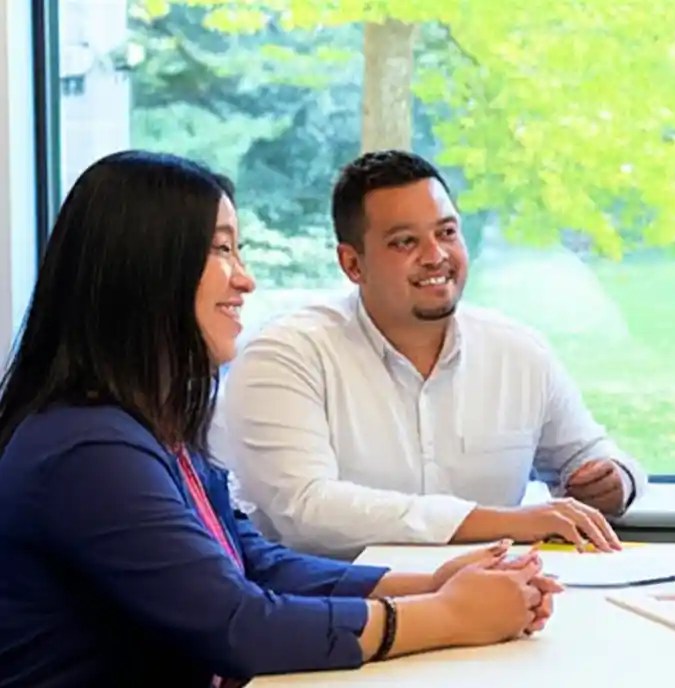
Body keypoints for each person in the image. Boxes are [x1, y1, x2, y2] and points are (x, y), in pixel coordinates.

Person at [0, 150, 561, 688]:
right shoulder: (87, 450)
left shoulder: (147, 428)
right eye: (221, 250)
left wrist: (428, 584)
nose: (245, 279)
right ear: (145, 268)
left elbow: (256, 563)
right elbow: (239, 624)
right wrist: (449, 615)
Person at [211, 149, 647, 559]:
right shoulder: (285, 356)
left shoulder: (518, 351)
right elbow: (307, 510)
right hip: (340, 606)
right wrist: (510, 523)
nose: (436, 256)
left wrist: (614, 480)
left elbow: (590, 455)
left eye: (446, 233)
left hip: (500, 600)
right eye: (405, 242)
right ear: (352, 264)